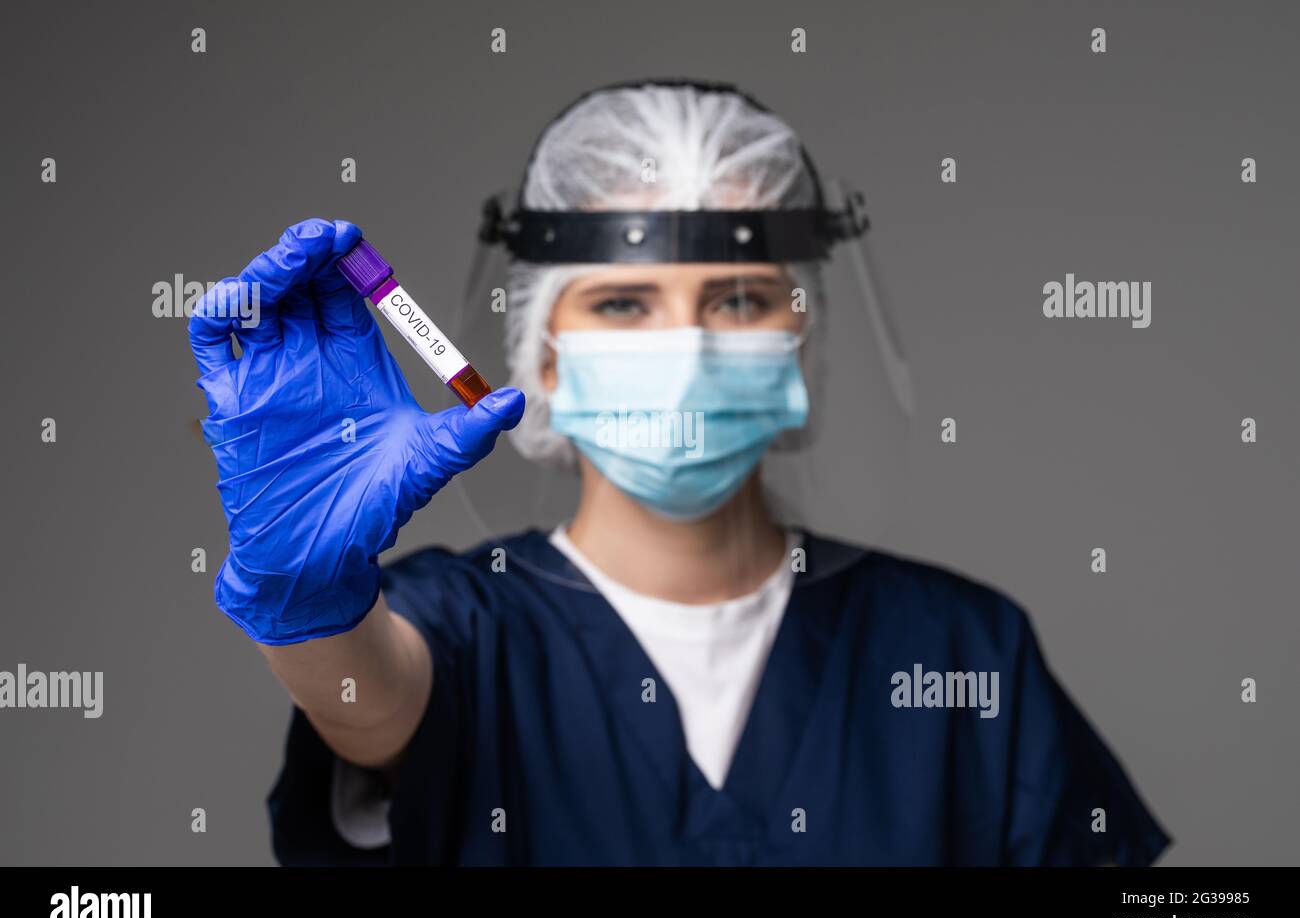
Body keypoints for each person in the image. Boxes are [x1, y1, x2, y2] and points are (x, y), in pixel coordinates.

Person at [189, 80, 1170, 866]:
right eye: (622, 304)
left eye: (739, 298)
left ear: (806, 337)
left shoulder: (960, 650)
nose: (688, 346)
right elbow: (369, 697)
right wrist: (308, 603)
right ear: (540, 352)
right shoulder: (467, 624)